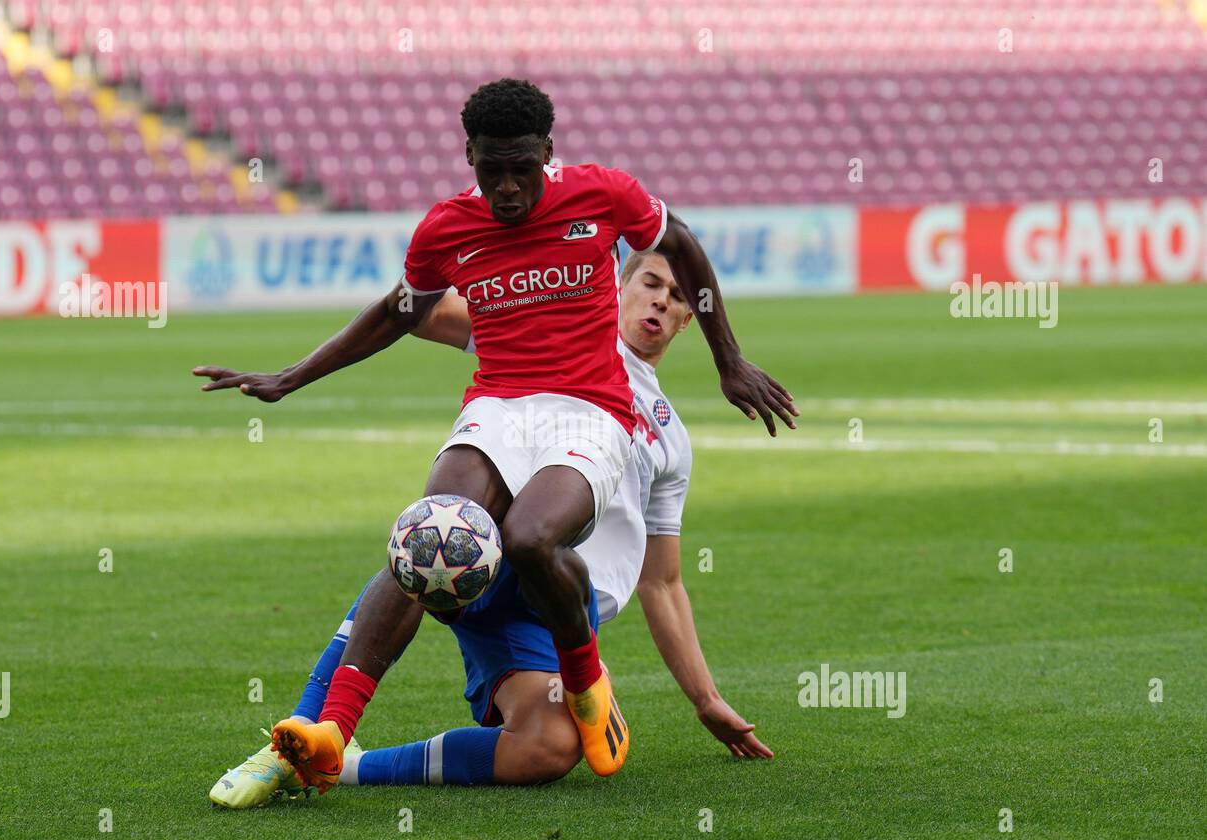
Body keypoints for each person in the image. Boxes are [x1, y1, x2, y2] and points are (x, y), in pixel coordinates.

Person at [194, 78, 796, 788]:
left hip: (588, 410)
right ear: (469, 155)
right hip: (500, 407)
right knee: (428, 532)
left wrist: (729, 360)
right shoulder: (448, 227)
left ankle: (584, 681)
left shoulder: (603, 196)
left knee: (530, 537)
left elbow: (683, 244)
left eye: (522, 168)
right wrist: (291, 376)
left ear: (548, 152)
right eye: (491, 169)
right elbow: (400, 311)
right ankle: (326, 737)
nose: (508, 188)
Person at [211, 250, 774, 807]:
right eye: (651, 283)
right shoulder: (549, 333)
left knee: (548, 750)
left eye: (677, 297)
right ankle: (297, 739)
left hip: (558, 608)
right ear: (619, 286)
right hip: (494, 559)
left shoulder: (671, 441)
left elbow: (663, 582)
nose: (660, 300)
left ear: (687, 319)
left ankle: (344, 766)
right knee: (433, 536)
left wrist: (705, 699)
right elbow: (419, 313)